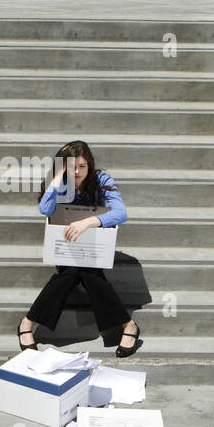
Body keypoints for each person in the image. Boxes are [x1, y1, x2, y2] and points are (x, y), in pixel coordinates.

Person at [16, 141, 143, 358]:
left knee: (79, 271)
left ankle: (28, 322)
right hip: (65, 247)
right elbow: (44, 209)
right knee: (78, 270)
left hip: (93, 246)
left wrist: (89, 222)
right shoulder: (60, 182)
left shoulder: (102, 180)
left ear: (90, 165)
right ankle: (128, 325)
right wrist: (57, 177)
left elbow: (121, 213)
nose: (77, 172)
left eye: (82, 166)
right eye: (71, 166)